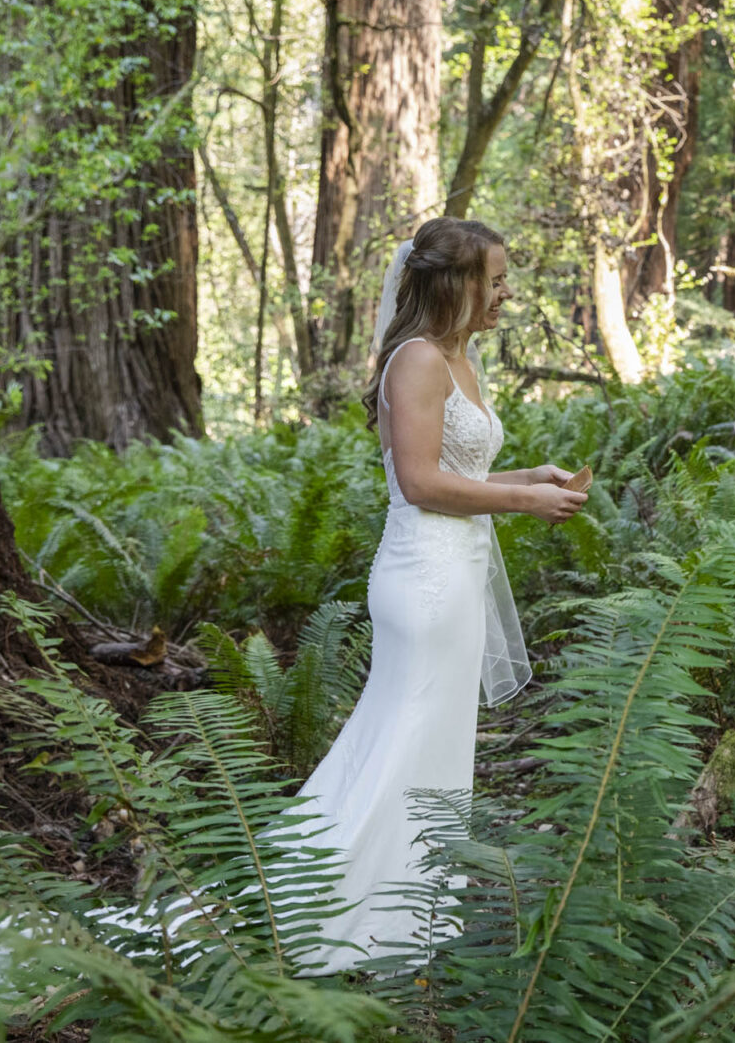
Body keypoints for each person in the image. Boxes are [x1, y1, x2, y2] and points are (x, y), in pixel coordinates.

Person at [293, 216, 587, 971]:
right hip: (422, 580)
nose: (506, 292)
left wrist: (532, 478)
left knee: (431, 743)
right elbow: (420, 483)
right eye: (495, 278)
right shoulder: (417, 361)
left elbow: (463, 472)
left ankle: (410, 901)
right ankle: (343, 911)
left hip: (454, 574)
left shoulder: (459, 359)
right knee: (405, 736)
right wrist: (524, 507)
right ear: (455, 284)